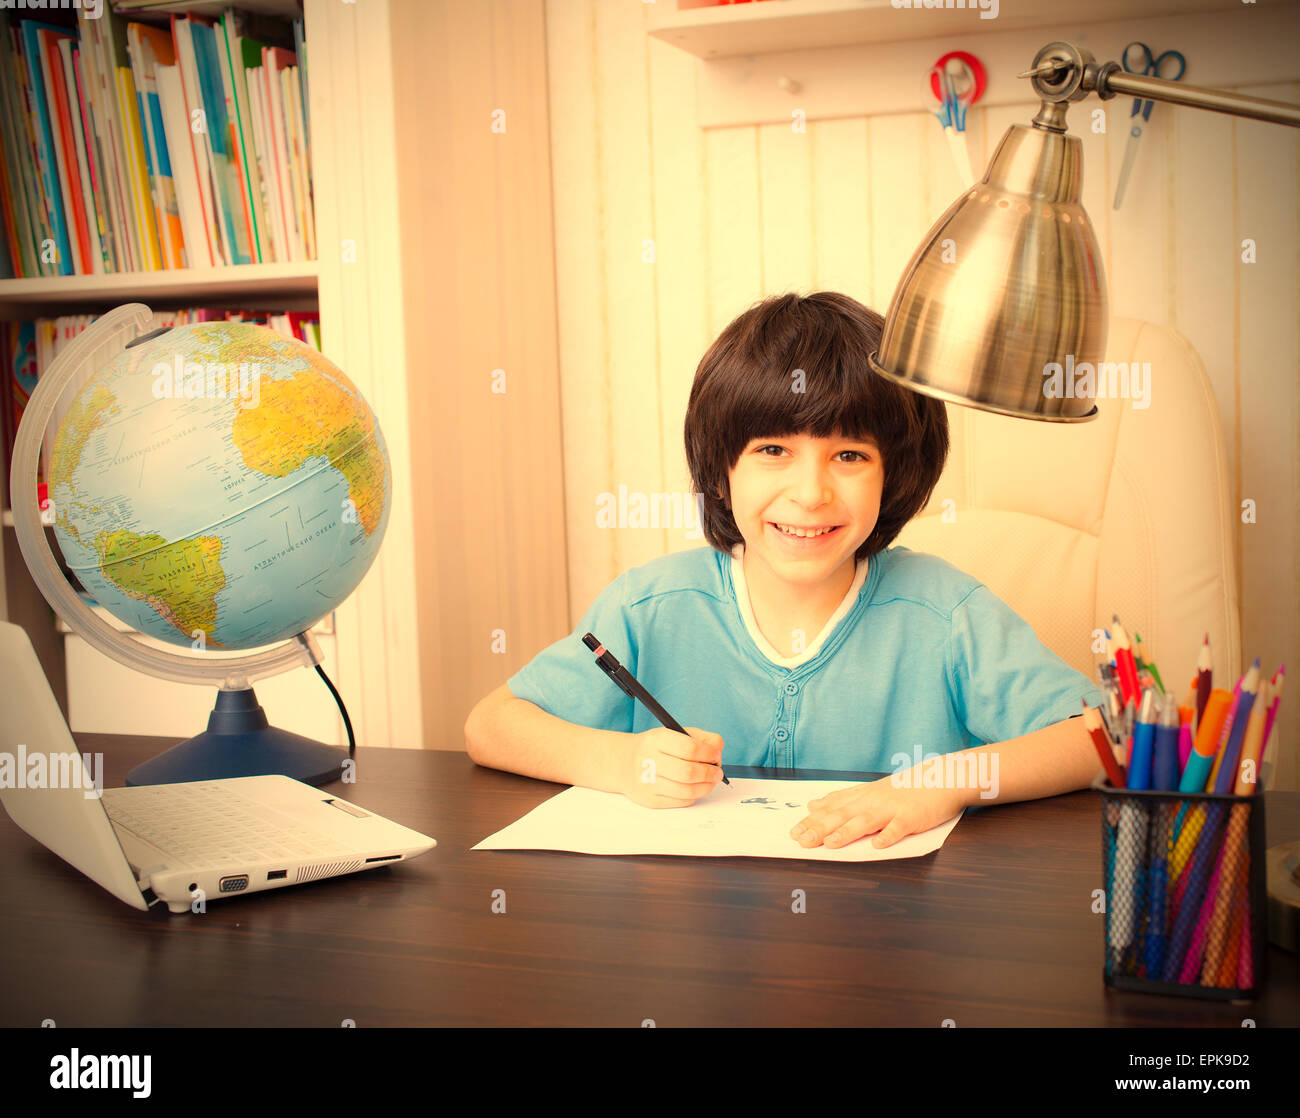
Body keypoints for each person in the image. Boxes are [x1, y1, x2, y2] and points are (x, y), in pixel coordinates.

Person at [465, 291, 1104, 850]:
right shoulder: (649, 607)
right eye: (773, 450)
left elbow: (1107, 737)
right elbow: (491, 726)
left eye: (849, 455)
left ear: (895, 474)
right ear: (722, 469)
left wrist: (941, 781)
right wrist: (620, 760)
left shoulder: (944, 612)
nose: (810, 494)